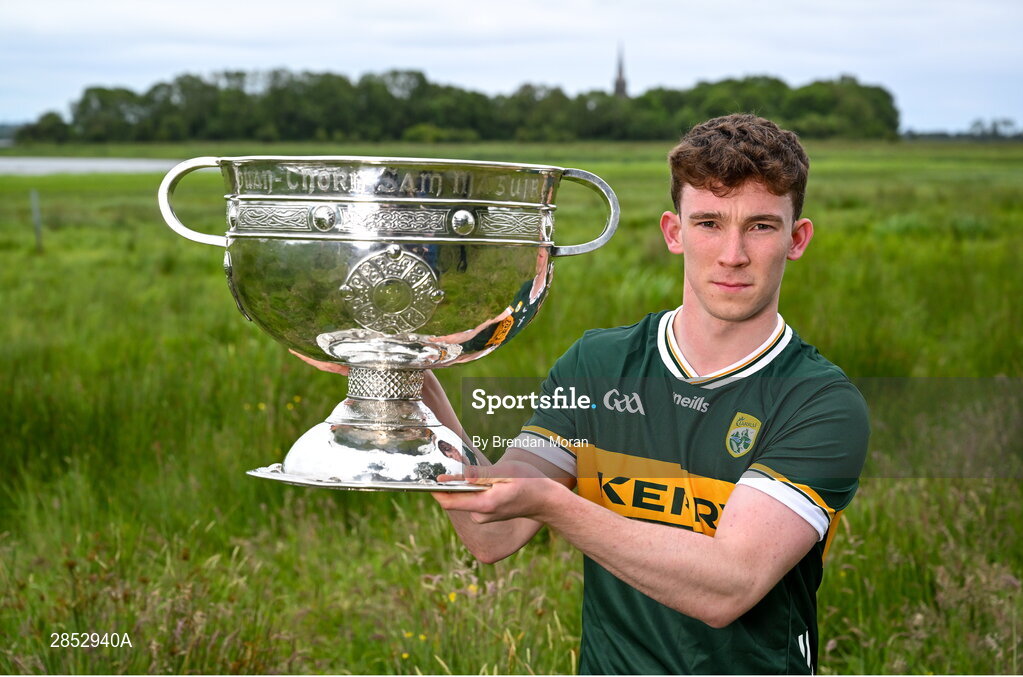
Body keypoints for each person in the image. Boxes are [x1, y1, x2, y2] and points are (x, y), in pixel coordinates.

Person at [296, 114, 869, 674]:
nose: (733, 254)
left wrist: (554, 505)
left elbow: (728, 587)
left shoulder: (819, 403)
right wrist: (406, 378)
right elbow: (492, 531)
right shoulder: (600, 365)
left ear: (797, 239)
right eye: (709, 223)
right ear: (674, 232)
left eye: (761, 226)